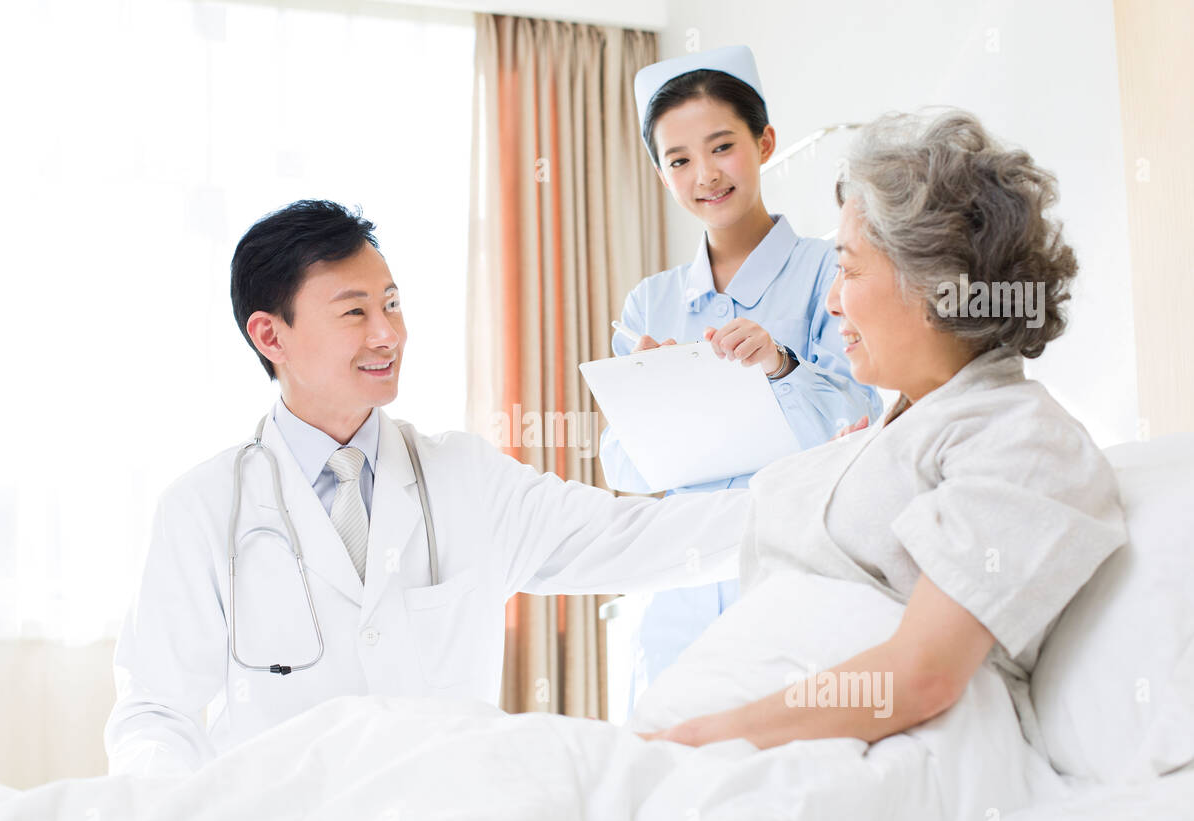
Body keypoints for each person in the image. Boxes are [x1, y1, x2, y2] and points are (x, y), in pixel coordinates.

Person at [104, 199, 750, 778]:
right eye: (354, 312)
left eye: (390, 304)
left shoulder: (465, 477)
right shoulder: (203, 509)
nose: (388, 333)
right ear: (271, 335)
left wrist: (826, 491)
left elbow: (638, 539)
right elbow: (156, 714)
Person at [639, 109, 1128, 751]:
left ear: (938, 287)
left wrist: (701, 739)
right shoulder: (894, 426)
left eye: (849, 268)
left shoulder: (1021, 436)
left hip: (856, 757)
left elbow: (920, 676)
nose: (833, 298)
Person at [600, 46, 882, 703]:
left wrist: (780, 367)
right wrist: (664, 403)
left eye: (722, 146)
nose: (704, 174)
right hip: (677, 596)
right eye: (678, 160)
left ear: (765, 142)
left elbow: (853, 421)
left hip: (794, 578)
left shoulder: (828, 270)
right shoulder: (650, 302)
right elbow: (620, 466)